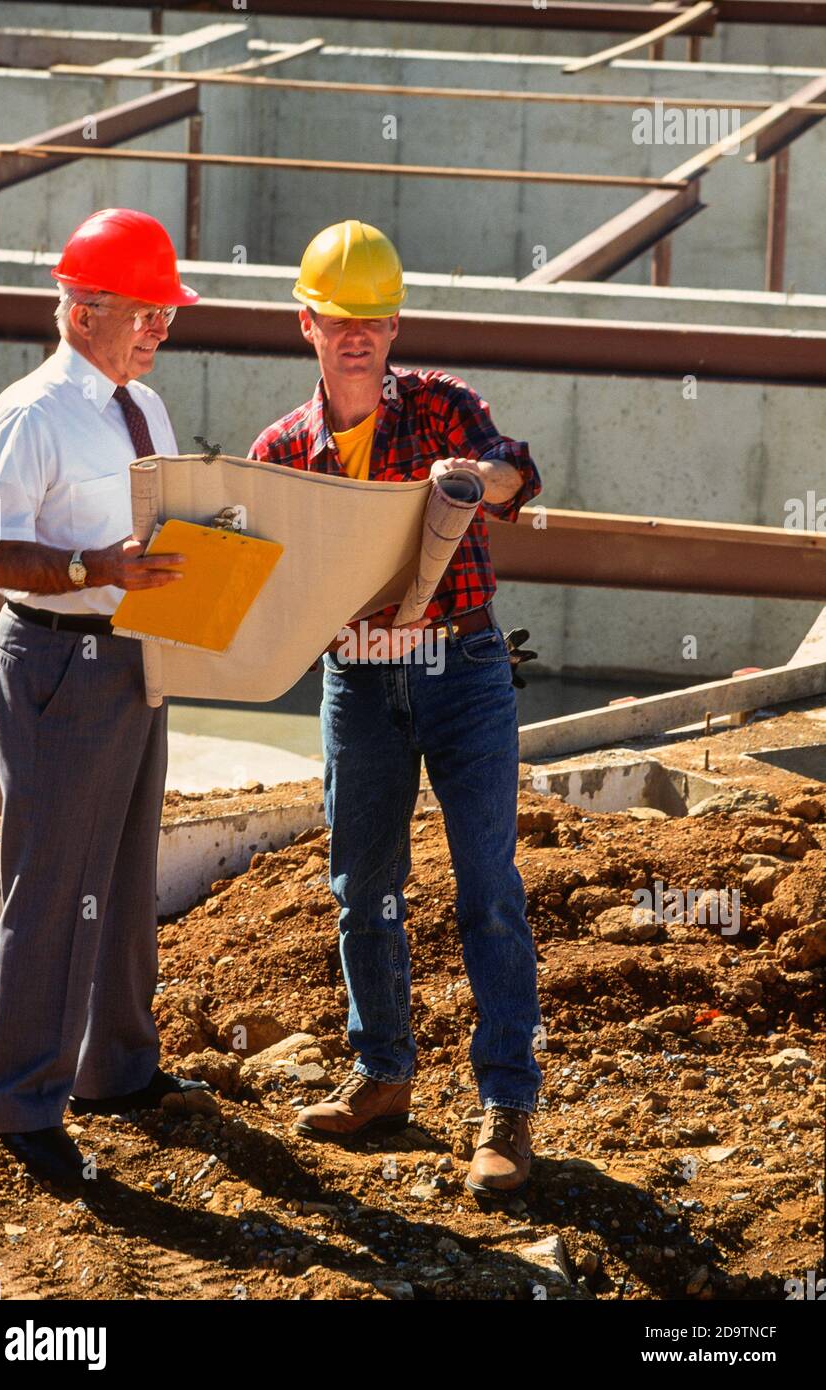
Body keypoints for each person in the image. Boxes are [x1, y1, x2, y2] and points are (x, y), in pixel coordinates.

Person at [249, 220, 544, 1200]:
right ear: (307, 326)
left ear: (396, 323)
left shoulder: (446, 409)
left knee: (486, 887)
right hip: (357, 682)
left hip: (459, 670)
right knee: (361, 884)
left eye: (373, 319)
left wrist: (474, 482)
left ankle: (506, 1104)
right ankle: (384, 1074)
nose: (358, 336)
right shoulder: (282, 449)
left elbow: (513, 471)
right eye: (339, 321)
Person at [0, 208, 216, 1192]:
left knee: (120, 868)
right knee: (52, 877)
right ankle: (24, 1101)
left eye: (165, 314)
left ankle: (117, 1068)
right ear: (80, 310)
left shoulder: (141, 410)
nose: (160, 329)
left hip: (131, 655)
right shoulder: (31, 413)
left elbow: (149, 531)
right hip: (59, 661)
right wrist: (91, 565)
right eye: (145, 312)